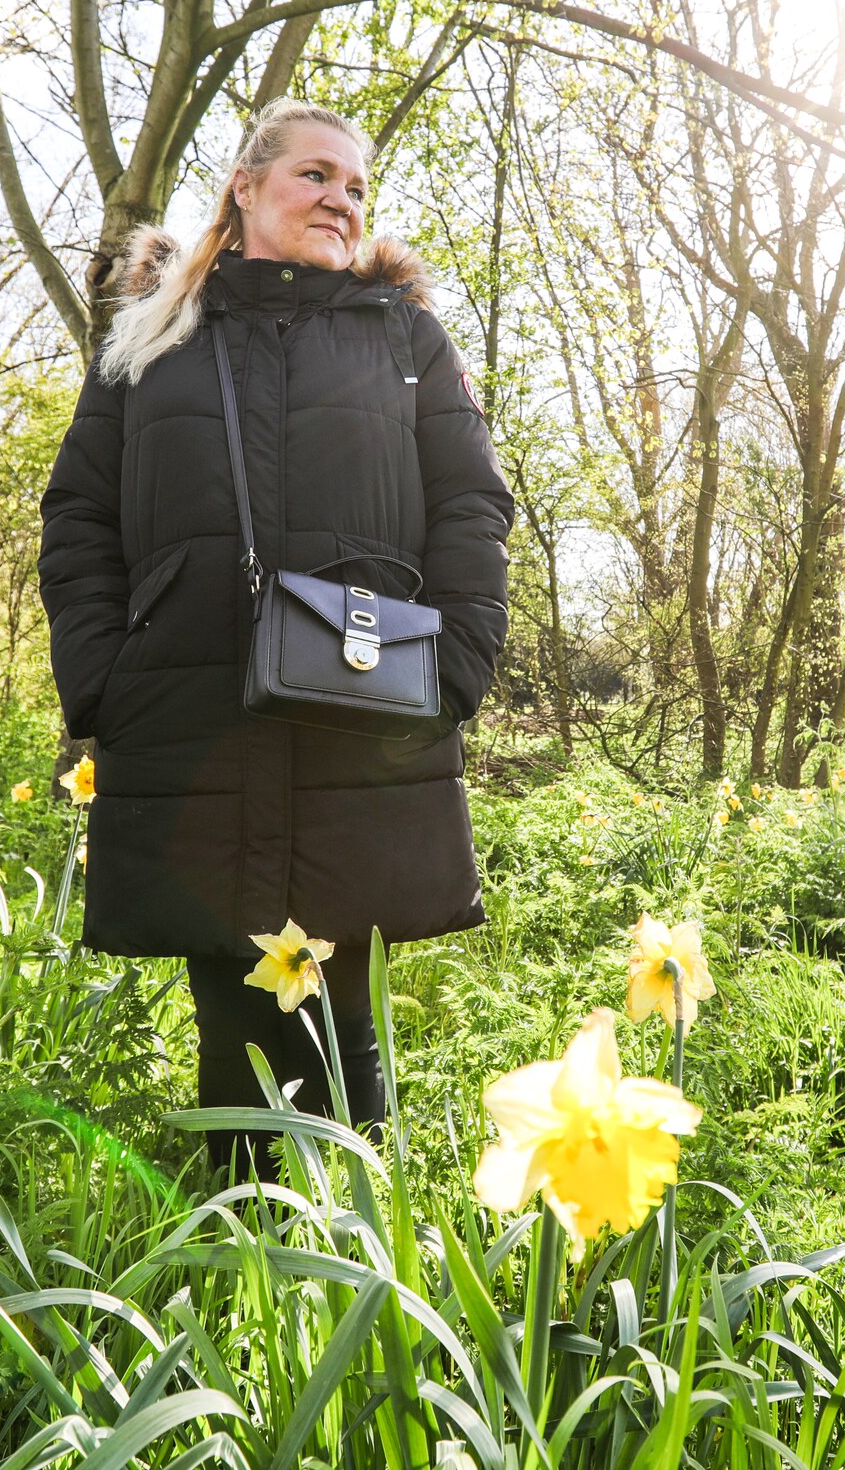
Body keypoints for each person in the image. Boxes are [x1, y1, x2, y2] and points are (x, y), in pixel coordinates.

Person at [38, 100, 512, 1177]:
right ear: (246, 188)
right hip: (189, 717)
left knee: (343, 1027)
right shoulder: (152, 338)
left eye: (356, 185)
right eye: (315, 175)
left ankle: (352, 1268)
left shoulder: (403, 339)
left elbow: (472, 507)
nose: (341, 199)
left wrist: (459, 662)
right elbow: (77, 516)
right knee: (231, 1019)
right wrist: (104, 677)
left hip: (364, 710)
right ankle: (238, 1272)